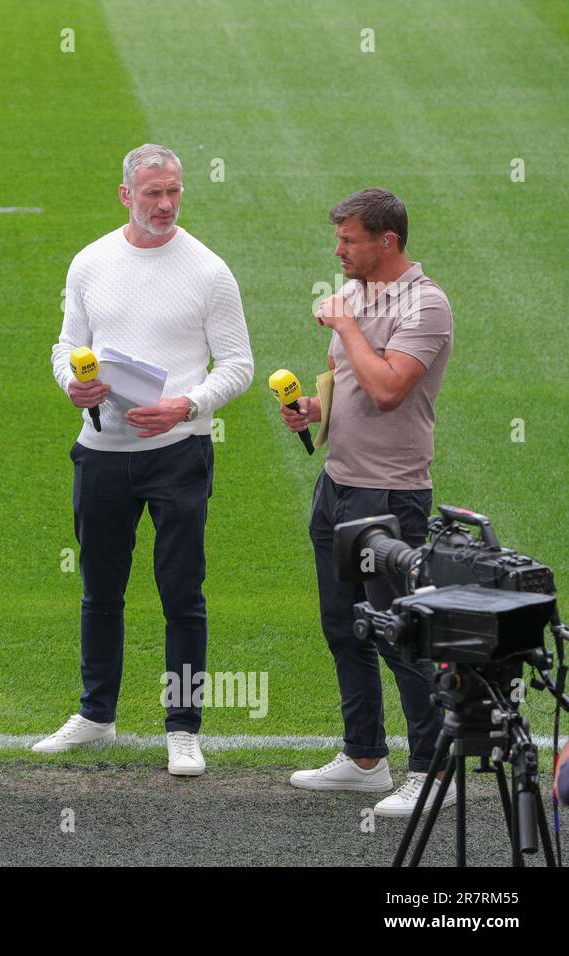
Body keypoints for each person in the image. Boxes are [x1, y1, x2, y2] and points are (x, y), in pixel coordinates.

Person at [37, 144, 254, 776]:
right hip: (101, 452)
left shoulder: (209, 271)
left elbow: (238, 364)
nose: (165, 204)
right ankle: (97, 715)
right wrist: (69, 384)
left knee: (181, 593)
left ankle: (183, 727)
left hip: (177, 453)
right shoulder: (90, 262)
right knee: (99, 592)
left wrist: (185, 406)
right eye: (153, 192)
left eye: (175, 191)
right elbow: (67, 345)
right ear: (125, 194)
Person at [283, 187, 455, 817]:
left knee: (400, 633)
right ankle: (364, 758)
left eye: (349, 240)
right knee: (345, 625)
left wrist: (348, 326)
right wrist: (313, 410)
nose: (339, 250)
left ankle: (432, 771)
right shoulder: (354, 295)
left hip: (392, 495)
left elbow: (387, 389)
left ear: (387, 241)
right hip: (338, 483)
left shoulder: (426, 304)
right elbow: (350, 382)